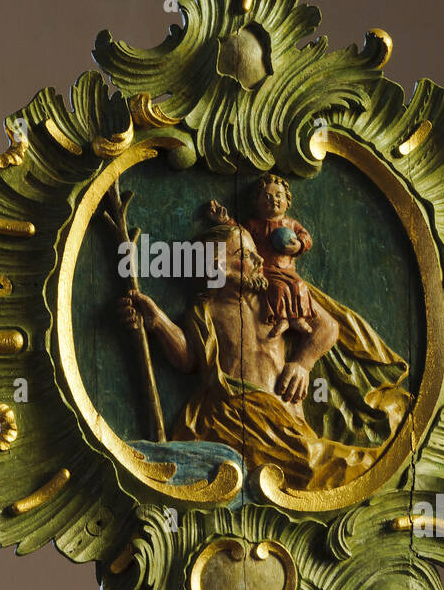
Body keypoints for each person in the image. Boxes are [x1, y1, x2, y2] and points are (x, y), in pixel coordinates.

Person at [119, 223, 411, 492]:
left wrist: (303, 363)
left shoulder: (278, 294)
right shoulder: (204, 313)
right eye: (247, 255)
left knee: (318, 465)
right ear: (218, 265)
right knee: (296, 470)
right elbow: (190, 361)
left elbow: (327, 327)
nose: (260, 261)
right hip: (231, 415)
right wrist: (157, 321)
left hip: (283, 417)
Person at [207, 175, 314, 337]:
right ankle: (282, 319)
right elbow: (240, 234)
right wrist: (226, 220)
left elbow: (306, 237)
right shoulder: (254, 225)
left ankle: (297, 318)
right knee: (279, 289)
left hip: (287, 270)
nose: (274, 200)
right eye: (267, 196)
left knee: (299, 286)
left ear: (287, 200)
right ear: (256, 202)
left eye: (279, 195)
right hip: (267, 269)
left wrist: (298, 245)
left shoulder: (291, 224)